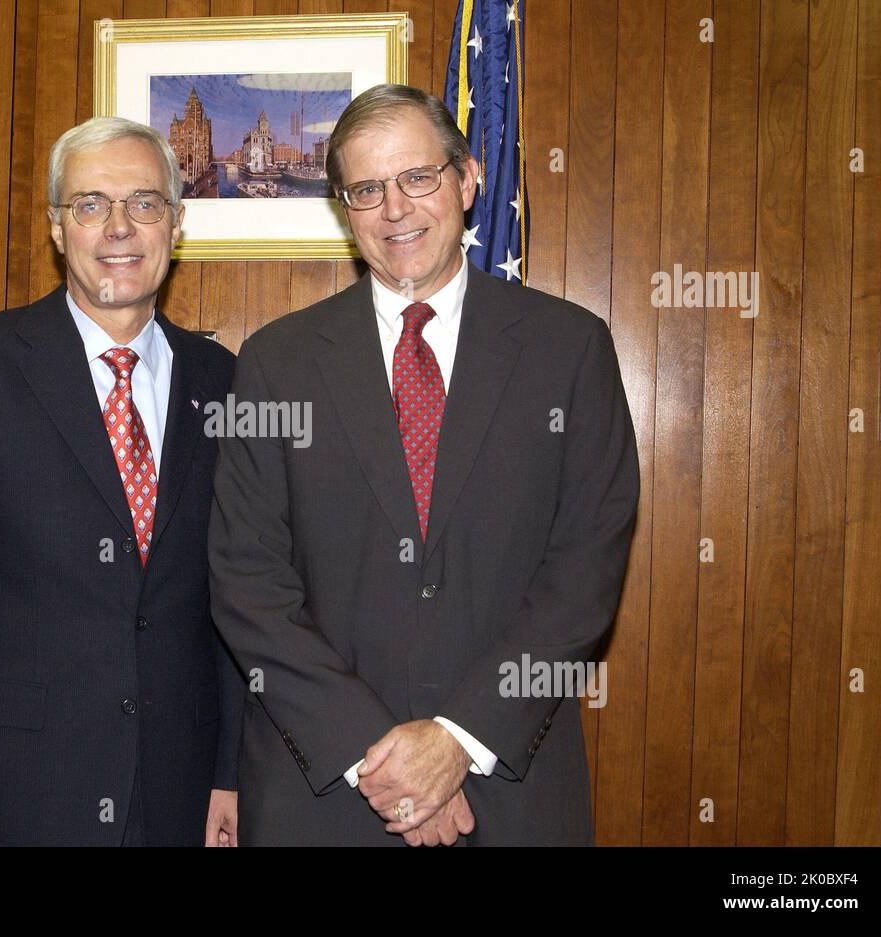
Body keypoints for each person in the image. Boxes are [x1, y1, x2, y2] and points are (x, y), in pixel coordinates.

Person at [208, 84, 639, 845]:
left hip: (509, 794)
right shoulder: (276, 363)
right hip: (324, 800)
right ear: (344, 209)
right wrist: (380, 760)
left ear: (469, 179)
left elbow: (585, 574)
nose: (395, 209)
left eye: (418, 177)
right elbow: (247, 582)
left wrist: (458, 739)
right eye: (366, 189)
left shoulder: (569, 352)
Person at [0, 116, 245, 846]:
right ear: (54, 226)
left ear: (176, 224)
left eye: (144, 203)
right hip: (10, 787)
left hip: (181, 789)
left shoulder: (225, 382)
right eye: (90, 204)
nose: (119, 227)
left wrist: (229, 770)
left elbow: (238, 595)